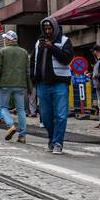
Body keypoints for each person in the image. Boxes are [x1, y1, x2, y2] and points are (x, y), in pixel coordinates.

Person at [31, 16, 75, 154]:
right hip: (43, 84)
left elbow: (66, 59)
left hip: (59, 84)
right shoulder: (39, 43)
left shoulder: (64, 41)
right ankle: (51, 137)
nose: (48, 31)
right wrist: (33, 79)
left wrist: (52, 47)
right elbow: (34, 62)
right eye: (45, 29)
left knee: (60, 115)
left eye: (50, 28)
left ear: (55, 28)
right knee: (45, 115)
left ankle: (58, 143)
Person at [0, 31, 30, 143]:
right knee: (21, 110)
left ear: (9, 40)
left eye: (5, 39)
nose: (4, 40)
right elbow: (27, 71)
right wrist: (29, 86)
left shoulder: (2, 51)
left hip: (6, 84)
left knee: (3, 107)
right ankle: (22, 135)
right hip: (20, 84)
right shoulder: (24, 52)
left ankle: (11, 125)